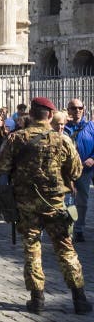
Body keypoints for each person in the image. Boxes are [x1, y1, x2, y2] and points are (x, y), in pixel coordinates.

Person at [0, 97, 92, 314]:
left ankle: (37, 299)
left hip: (26, 204)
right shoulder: (62, 140)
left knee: (31, 248)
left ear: (31, 114)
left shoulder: (15, 139)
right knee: (65, 248)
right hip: (55, 204)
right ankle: (79, 298)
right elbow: (77, 171)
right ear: (49, 115)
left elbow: (1, 167)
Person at [65, 98, 94, 242]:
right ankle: (66, 229)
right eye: (73, 108)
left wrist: (92, 158)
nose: (77, 111)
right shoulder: (62, 128)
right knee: (66, 201)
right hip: (66, 171)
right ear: (68, 110)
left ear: (83, 109)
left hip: (85, 170)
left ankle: (79, 229)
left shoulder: (91, 126)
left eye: (79, 108)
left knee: (82, 201)